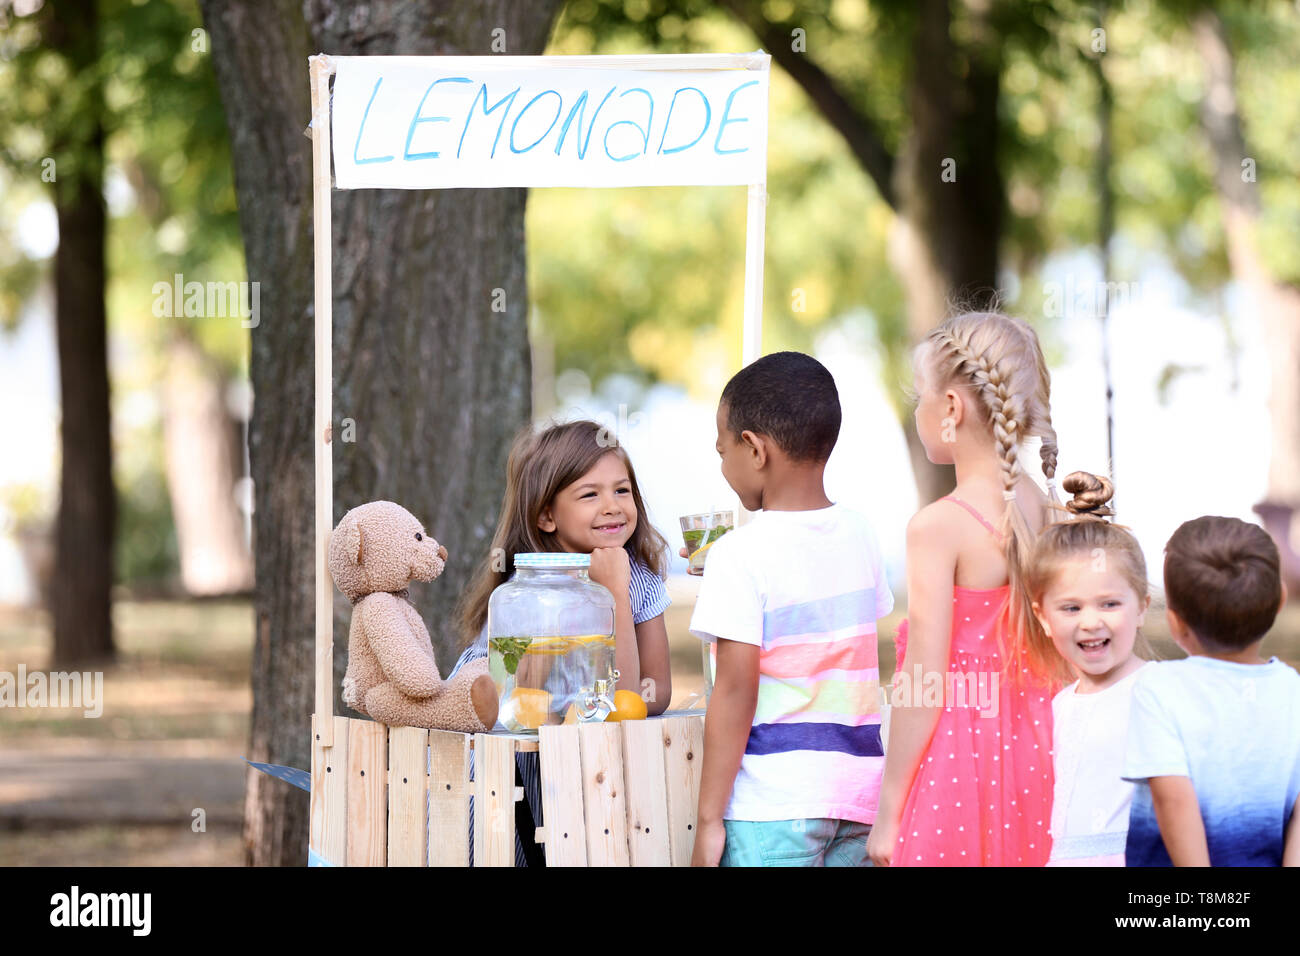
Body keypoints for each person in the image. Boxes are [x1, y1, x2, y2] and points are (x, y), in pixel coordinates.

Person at [868, 310, 1069, 867]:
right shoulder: (1049, 511)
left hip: (964, 760)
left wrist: (890, 807)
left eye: (919, 397)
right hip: (1047, 751)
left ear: (951, 408)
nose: (916, 411)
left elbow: (925, 681)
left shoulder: (939, 526)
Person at [688, 351, 894, 867]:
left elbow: (736, 691)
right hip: (860, 797)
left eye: (722, 451)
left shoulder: (737, 554)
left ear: (754, 449)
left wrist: (709, 819)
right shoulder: (863, 534)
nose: (722, 467)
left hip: (772, 806)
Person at [450, 419, 674, 865]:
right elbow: (510, 700)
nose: (612, 506)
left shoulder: (639, 582)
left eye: (622, 490)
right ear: (546, 515)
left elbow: (642, 694)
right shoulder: (525, 595)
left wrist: (616, 593)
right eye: (590, 494)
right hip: (514, 765)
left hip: (589, 772)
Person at [1123, 515, 1300, 866]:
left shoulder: (1159, 688)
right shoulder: (1293, 690)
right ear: (1280, 601)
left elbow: (1173, 801)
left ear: (1174, 621)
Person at [1027, 472, 1154, 866]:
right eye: (1071, 607)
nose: (1090, 621)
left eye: (1109, 604)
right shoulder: (1058, 705)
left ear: (1142, 607)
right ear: (1043, 616)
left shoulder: (1158, 691)